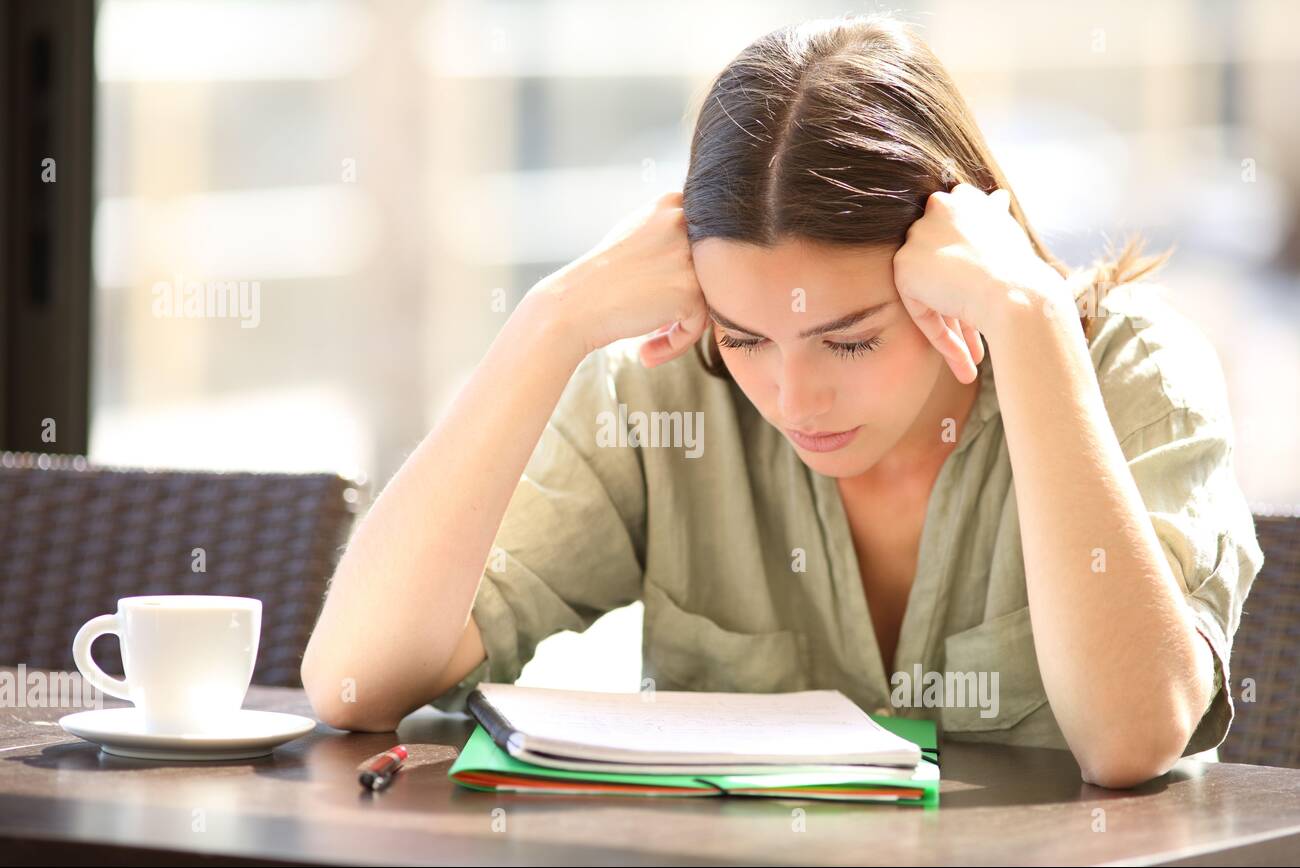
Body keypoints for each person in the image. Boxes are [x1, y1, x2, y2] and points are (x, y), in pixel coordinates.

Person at [301, 14, 1264, 789]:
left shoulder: (1126, 369)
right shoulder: (661, 391)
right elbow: (352, 683)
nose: (792, 397)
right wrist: (547, 324)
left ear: (955, 275)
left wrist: (1029, 319)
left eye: (851, 338)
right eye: (746, 336)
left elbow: (1131, 742)